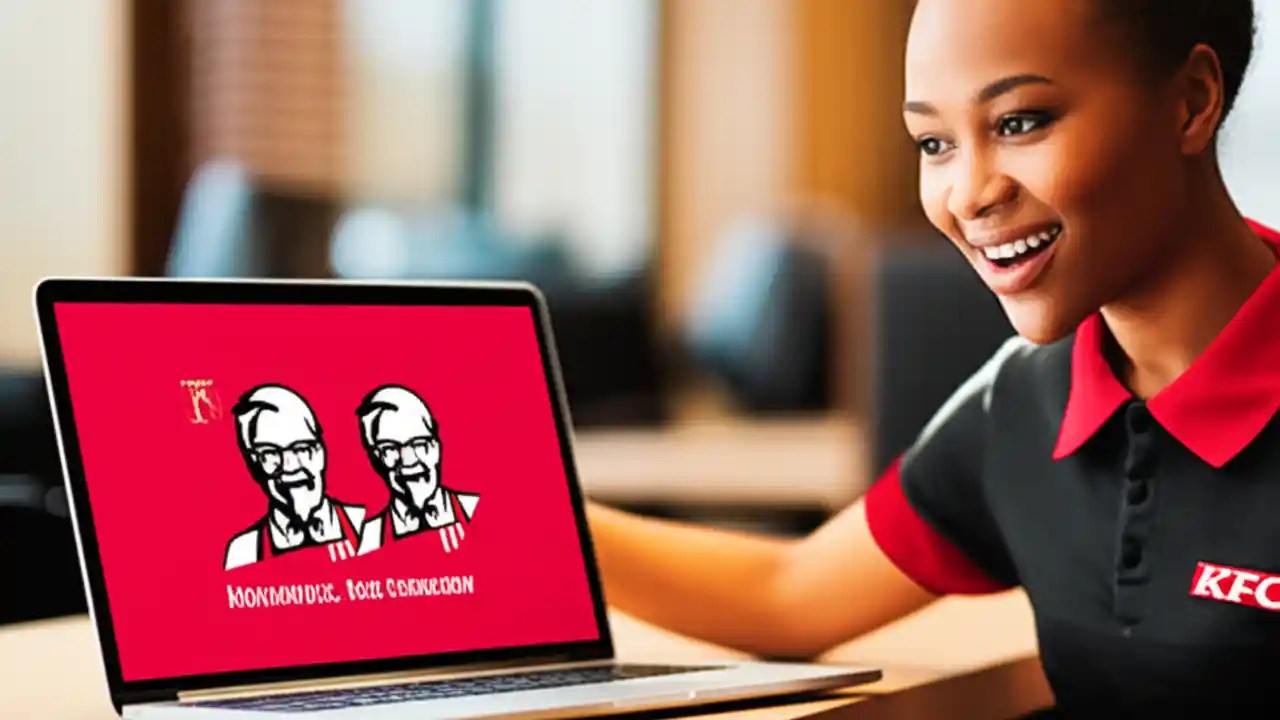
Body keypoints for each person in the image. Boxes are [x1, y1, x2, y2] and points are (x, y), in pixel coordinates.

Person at [590, 0, 1279, 713]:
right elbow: (788, 595)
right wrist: (533, 517)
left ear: (1191, 101)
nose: (970, 194)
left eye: (1020, 122)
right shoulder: (1020, 402)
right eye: (933, 143)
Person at [224, 384, 365, 570]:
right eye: (270, 453)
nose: (290, 467)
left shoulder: (364, 525)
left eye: (302, 449)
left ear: (321, 453)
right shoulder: (244, 552)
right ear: (253, 464)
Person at [354, 385, 480, 556]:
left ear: (436, 447)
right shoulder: (367, 539)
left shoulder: (477, 510)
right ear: (375, 459)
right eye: (390, 448)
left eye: (419, 443)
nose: (409, 460)